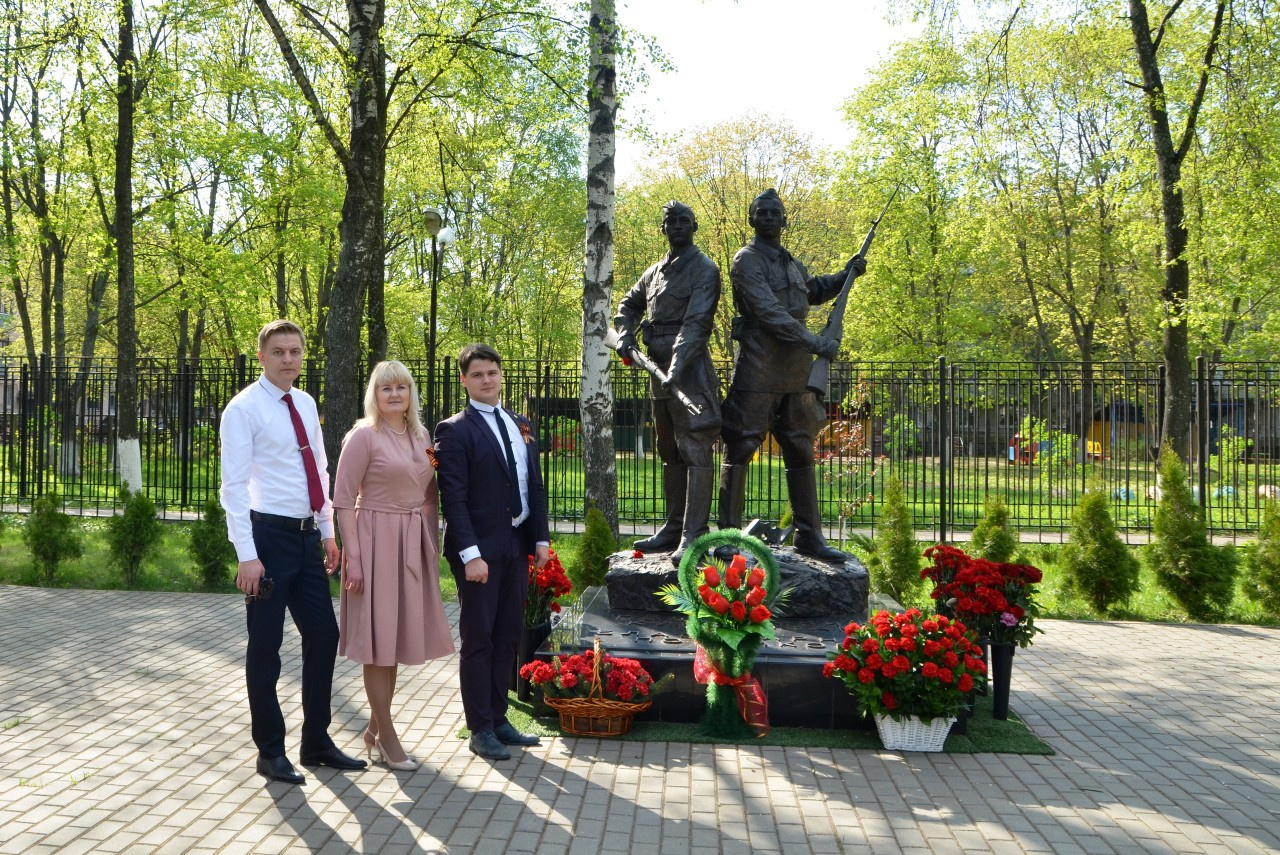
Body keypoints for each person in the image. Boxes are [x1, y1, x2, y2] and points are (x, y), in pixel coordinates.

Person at [219, 319, 367, 785]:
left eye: (295, 352)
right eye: (279, 352)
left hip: (306, 540)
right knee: (266, 648)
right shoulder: (242, 409)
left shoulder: (304, 402)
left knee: (324, 638)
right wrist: (247, 554)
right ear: (262, 356)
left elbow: (319, 471)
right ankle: (269, 750)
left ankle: (317, 742)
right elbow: (233, 487)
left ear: (304, 356)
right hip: (266, 540)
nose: (288, 359)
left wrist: (327, 532)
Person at [718, 188, 867, 563]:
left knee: (800, 447)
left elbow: (810, 291)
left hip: (796, 367)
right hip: (760, 364)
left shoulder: (790, 262)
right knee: (742, 446)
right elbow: (769, 312)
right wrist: (816, 341)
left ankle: (810, 536)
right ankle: (728, 537)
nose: (769, 218)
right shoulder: (746, 261)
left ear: (785, 220)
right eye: (762, 213)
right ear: (751, 220)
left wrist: (844, 276)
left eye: (775, 213)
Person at [333, 361, 455, 772]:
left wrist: (431, 540)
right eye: (386, 388)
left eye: (402, 387)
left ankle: (373, 729)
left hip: (411, 541)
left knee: (396, 642)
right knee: (378, 645)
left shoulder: (423, 437)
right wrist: (355, 558)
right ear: (374, 394)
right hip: (373, 541)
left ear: (411, 394)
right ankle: (388, 736)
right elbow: (343, 500)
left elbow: (431, 494)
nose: (394, 394)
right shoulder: (362, 437)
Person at [434, 343, 550, 761]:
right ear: (464, 380)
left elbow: (533, 485)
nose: (487, 380)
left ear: (502, 375)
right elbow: (455, 499)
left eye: (492, 372)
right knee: (479, 638)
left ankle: (500, 718)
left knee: (508, 634)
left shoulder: (520, 424)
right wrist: (470, 554)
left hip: (516, 545)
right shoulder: (454, 430)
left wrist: (540, 540)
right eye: (477, 374)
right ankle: (479, 726)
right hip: (478, 552)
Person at [614, 200, 722, 561]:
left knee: (693, 448)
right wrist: (626, 335)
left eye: (684, 221)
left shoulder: (705, 269)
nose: (677, 226)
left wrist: (675, 369)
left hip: (689, 373)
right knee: (668, 450)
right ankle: (674, 527)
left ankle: (695, 534)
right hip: (657, 371)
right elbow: (628, 305)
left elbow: (696, 325)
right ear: (663, 228)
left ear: (695, 226)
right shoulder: (655, 272)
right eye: (670, 222)